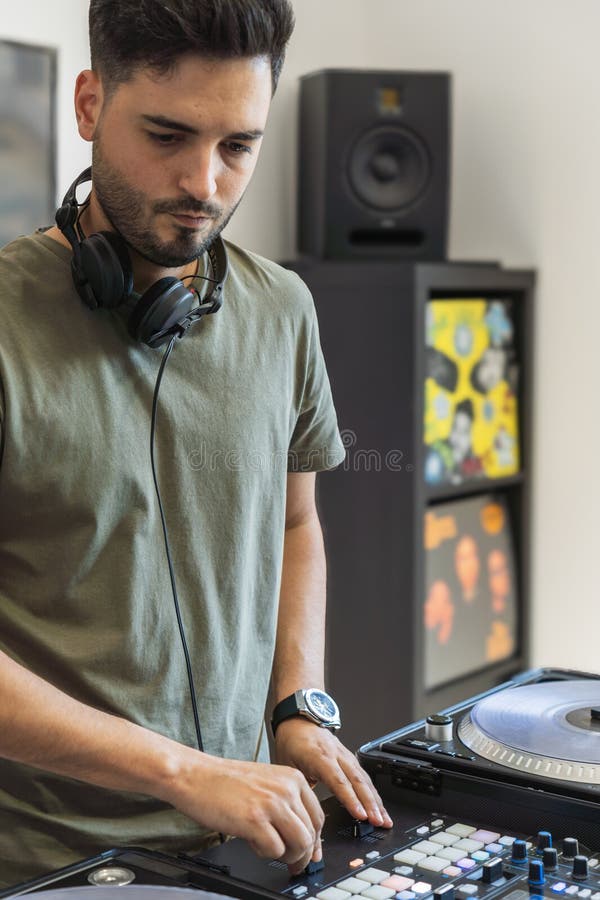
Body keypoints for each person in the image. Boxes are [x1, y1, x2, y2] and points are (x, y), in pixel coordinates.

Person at [0, 0, 391, 886]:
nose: (204, 183)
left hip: (245, 838)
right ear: (91, 103)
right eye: (168, 136)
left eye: (237, 146)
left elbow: (296, 524)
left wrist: (298, 708)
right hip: (49, 863)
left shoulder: (284, 310)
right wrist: (183, 772)